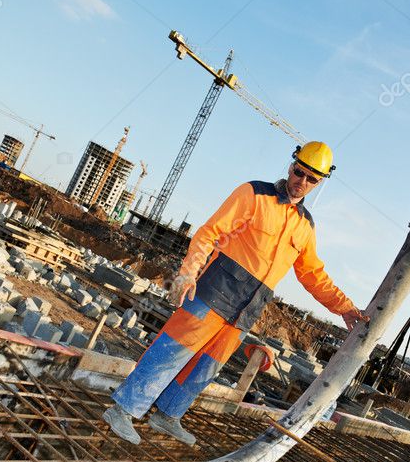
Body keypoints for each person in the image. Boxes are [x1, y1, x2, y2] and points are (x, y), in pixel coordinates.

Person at [103, 142, 369, 444]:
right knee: (172, 351)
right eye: (299, 172)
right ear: (291, 165)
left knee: (206, 367)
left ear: (320, 182)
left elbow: (311, 273)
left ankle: (168, 415)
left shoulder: (305, 225)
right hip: (214, 291)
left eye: (312, 179)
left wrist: (344, 307)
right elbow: (210, 232)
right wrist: (189, 271)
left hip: (247, 308)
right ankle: (123, 410)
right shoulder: (254, 194)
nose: (302, 182)